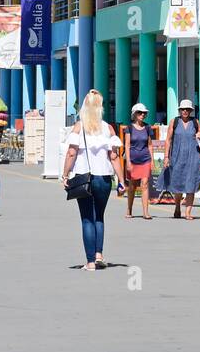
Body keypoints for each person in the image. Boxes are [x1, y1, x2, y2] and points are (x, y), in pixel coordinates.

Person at [61, 89, 125, 270]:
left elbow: (71, 152)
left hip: (84, 177)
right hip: (104, 179)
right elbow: (114, 157)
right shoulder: (108, 128)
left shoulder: (79, 127)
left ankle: (90, 262)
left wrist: (65, 174)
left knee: (87, 218)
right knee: (100, 217)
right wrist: (121, 180)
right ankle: (98, 255)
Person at [164, 98, 200, 220]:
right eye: (183, 109)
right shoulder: (174, 122)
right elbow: (168, 140)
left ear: (191, 111)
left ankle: (188, 212)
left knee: (191, 184)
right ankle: (177, 206)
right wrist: (166, 156)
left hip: (193, 157)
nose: (185, 111)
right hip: (177, 156)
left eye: (187, 109)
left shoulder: (195, 122)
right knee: (178, 183)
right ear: (179, 110)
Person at [124, 102, 154, 220]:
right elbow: (126, 145)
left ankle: (146, 212)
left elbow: (150, 145)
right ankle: (129, 209)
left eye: (144, 113)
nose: (142, 115)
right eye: (140, 113)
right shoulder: (129, 128)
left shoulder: (148, 128)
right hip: (133, 159)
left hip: (145, 159)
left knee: (145, 184)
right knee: (132, 186)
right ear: (134, 114)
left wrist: (152, 160)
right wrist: (128, 162)